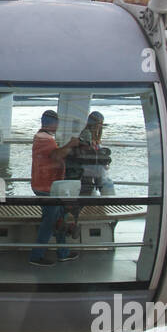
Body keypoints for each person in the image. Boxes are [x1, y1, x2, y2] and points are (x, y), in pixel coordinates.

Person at [29, 109, 79, 266]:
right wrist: (71, 144)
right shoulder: (46, 139)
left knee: (58, 217)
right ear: (54, 123)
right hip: (47, 187)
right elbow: (56, 155)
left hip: (44, 184)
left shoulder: (40, 136)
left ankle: (63, 252)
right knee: (50, 221)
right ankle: (36, 256)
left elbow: (52, 155)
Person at [74, 111, 116, 197]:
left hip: (94, 169)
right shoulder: (86, 134)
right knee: (107, 185)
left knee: (106, 183)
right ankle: (106, 203)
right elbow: (88, 153)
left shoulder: (93, 136)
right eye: (99, 123)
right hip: (88, 169)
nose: (100, 126)